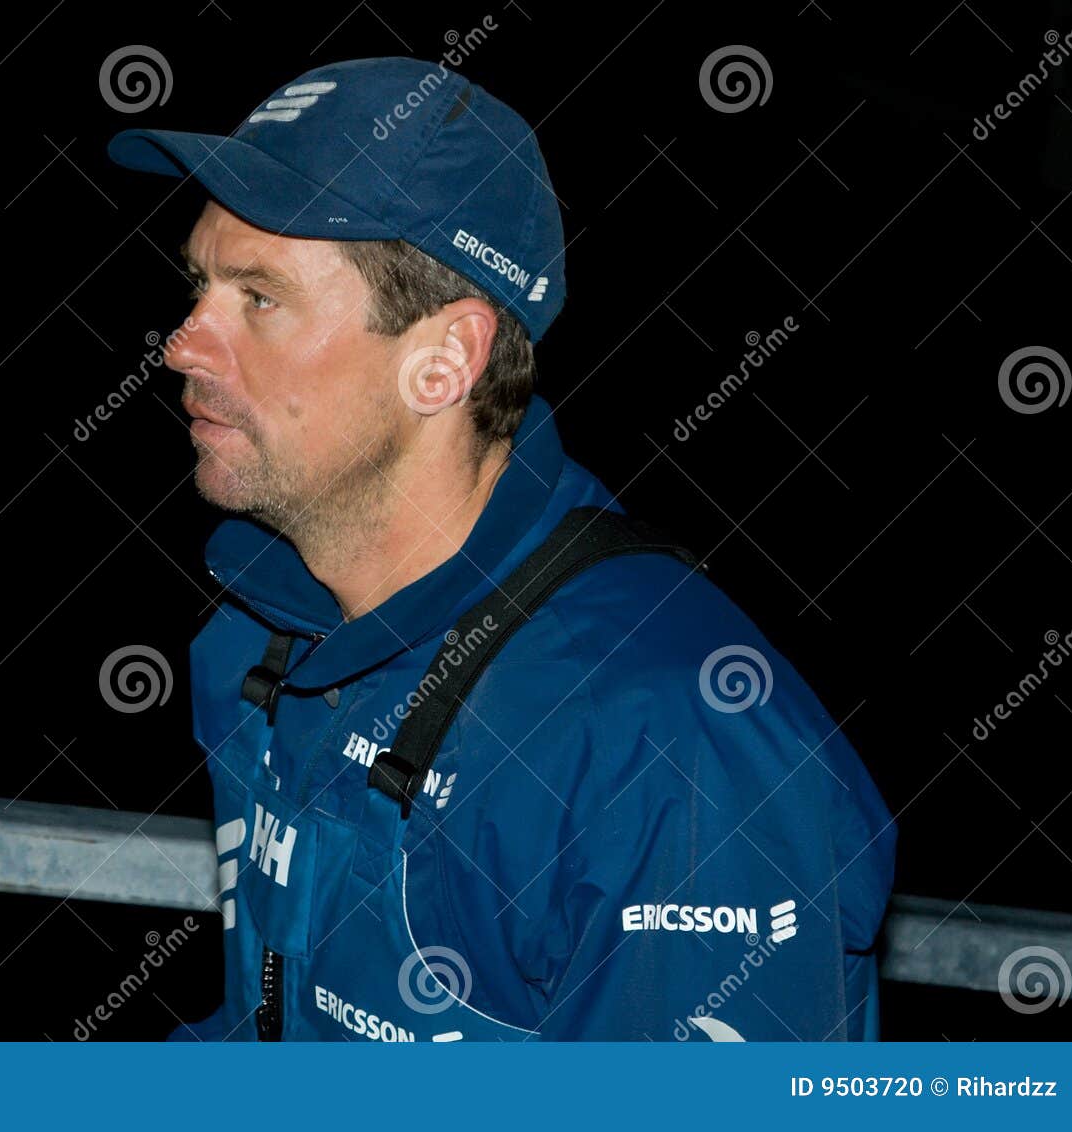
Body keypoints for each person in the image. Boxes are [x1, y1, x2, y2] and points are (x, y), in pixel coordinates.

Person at [107, 56, 896, 1041]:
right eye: (199, 286)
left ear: (441, 361)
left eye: (256, 299)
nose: (183, 342)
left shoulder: (666, 746)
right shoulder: (257, 642)